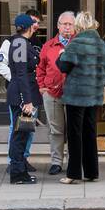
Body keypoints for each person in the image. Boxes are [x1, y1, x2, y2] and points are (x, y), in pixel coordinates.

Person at [54, 11, 105, 185]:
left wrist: (60, 55)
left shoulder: (76, 44)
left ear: (79, 26)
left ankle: (73, 173)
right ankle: (92, 171)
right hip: (94, 95)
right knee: (90, 133)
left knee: (74, 134)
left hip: (76, 96)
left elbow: (63, 66)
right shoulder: (101, 44)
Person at [0, 9, 41, 171]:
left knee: (27, 129)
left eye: (38, 22)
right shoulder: (16, 42)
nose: (36, 25)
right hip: (22, 92)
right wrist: (16, 82)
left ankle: (22, 159)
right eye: (33, 22)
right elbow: (6, 67)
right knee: (18, 129)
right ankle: (15, 163)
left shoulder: (30, 42)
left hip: (30, 91)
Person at [36, 11, 76, 177]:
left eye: (70, 24)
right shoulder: (49, 46)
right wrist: (41, 86)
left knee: (74, 130)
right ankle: (56, 162)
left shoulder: (78, 44)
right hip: (52, 93)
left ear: (75, 27)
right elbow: (40, 68)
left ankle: (73, 162)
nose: (67, 27)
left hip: (74, 94)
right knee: (55, 130)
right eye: (64, 24)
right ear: (58, 26)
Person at [5, 14, 44, 185]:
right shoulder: (20, 43)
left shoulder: (20, 42)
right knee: (19, 135)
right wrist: (26, 101)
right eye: (33, 24)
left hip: (24, 93)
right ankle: (17, 173)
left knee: (21, 134)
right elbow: (21, 73)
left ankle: (20, 172)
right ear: (28, 27)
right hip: (22, 95)